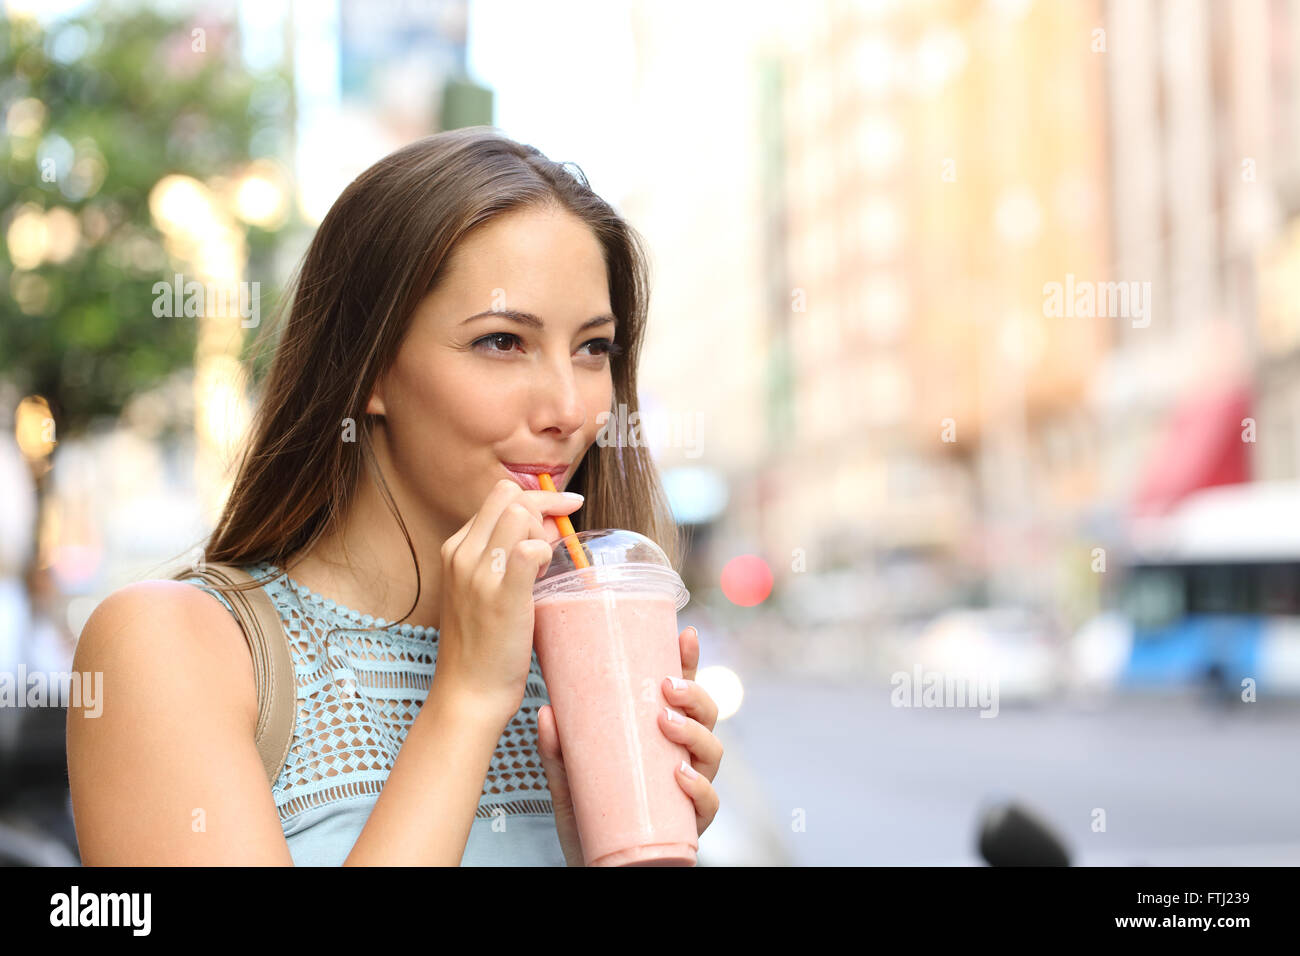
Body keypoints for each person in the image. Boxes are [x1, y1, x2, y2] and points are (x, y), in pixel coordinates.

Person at [66, 128, 723, 865]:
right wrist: (465, 703)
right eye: (503, 341)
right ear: (370, 367)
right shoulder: (172, 648)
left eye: (593, 348)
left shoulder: (581, 655)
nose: (569, 407)